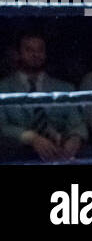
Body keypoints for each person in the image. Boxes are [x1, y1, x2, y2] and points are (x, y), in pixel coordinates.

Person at [0, 30, 86, 161]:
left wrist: (74, 139)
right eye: (29, 50)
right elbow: (2, 126)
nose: (35, 54)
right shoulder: (3, 88)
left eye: (40, 50)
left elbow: (78, 123)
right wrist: (31, 138)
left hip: (60, 155)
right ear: (18, 54)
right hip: (17, 157)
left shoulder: (65, 88)